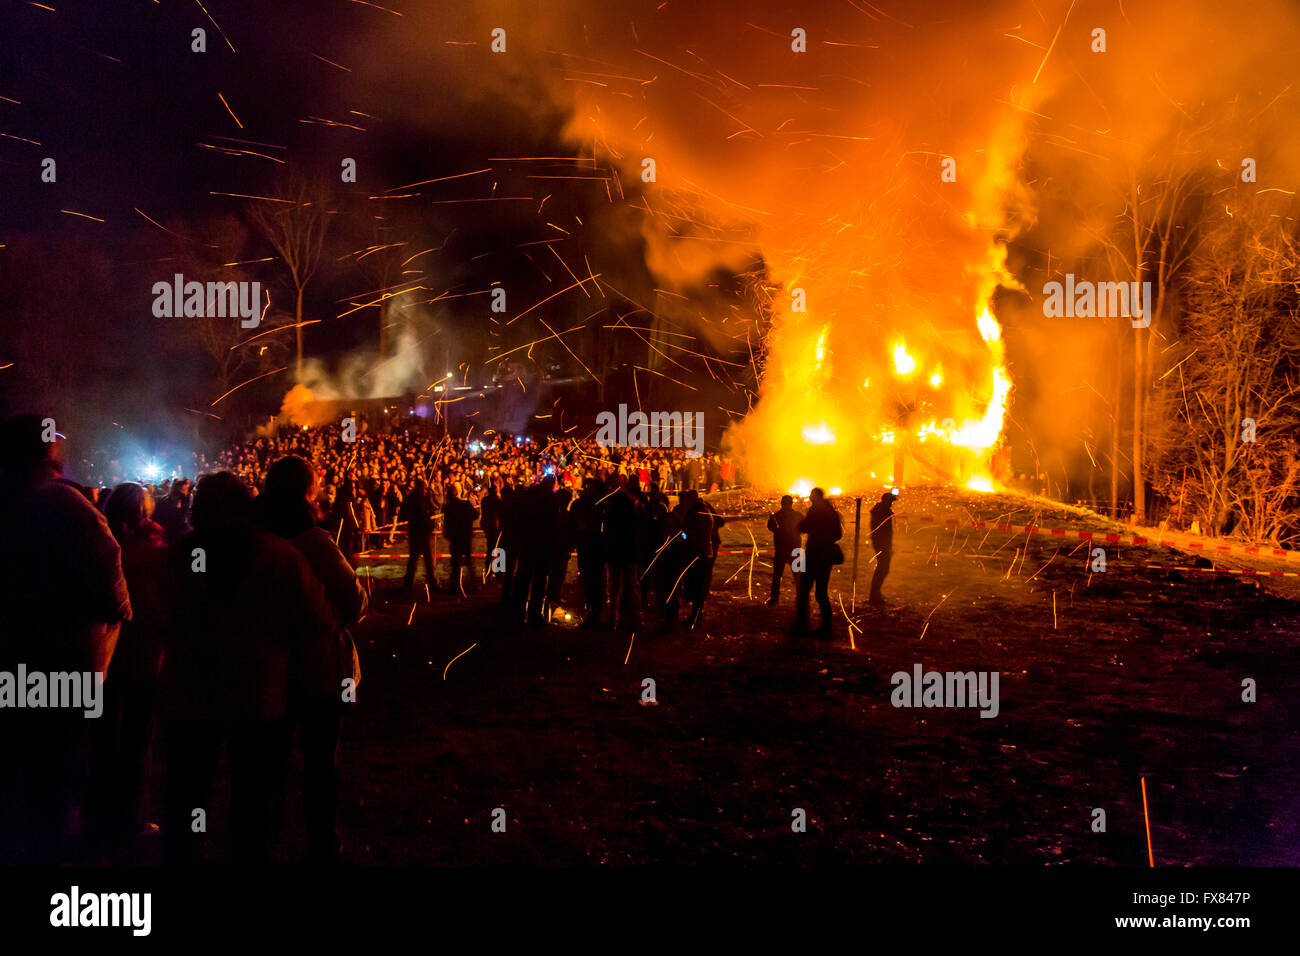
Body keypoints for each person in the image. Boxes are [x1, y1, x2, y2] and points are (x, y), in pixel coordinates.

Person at [164, 472, 340, 864]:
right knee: (252, 797)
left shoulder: (176, 555)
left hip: (192, 693)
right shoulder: (279, 556)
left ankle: (182, 856)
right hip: (256, 695)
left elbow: (159, 615)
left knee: (187, 792)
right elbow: (322, 619)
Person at [0, 415, 133, 864]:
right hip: (63, 664)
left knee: (17, 764)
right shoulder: (67, 506)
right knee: (55, 768)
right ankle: (49, 851)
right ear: (48, 451)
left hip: (13, 657)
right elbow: (111, 581)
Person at [256, 456, 366, 863]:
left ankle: (264, 836)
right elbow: (355, 602)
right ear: (307, 491)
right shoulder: (314, 541)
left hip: (270, 671)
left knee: (270, 761)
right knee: (321, 763)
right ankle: (321, 839)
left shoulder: (256, 537)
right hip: (319, 672)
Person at [90, 482, 170, 858]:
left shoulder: (97, 546)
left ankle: (98, 820)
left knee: (102, 740)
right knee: (137, 741)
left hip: (102, 658)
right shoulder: (158, 553)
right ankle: (131, 820)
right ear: (145, 512)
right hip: (143, 659)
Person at [795, 487, 842, 638]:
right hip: (826, 556)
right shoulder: (831, 512)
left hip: (814, 554)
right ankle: (826, 627)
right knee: (821, 592)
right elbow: (838, 534)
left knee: (804, 591)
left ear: (816, 497)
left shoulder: (815, 511)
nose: (809, 497)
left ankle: (802, 625)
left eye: (811, 495)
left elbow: (803, 527)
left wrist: (807, 528)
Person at [682, 491, 725, 630]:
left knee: (697, 586)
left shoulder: (698, 513)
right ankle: (696, 614)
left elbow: (691, 533)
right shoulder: (702, 510)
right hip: (704, 552)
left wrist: (682, 537)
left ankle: (696, 616)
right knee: (699, 585)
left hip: (699, 553)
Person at [766, 494, 804, 605]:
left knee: (777, 575)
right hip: (795, 549)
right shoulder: (798, 516)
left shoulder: (776, 516)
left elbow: (771, 527)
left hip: (781, 549)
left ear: (782, 503)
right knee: (798, 576)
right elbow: (804, 528)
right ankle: (802, 598)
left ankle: (774, 599)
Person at [443, 484, 479, 596]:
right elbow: (476, 515)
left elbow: (447, 524)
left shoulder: (448, 507)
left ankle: (454, 588)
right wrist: (473, 505)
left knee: (455, 565)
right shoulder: (465, 504)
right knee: (469, 563)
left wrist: (448, 534)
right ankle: (475, 586)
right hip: (466, 537)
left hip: (455, 539)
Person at [401, 477, 436, 591]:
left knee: (415, 559)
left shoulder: (414, 497)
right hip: (420, 532)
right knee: (425, 559)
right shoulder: (417, 499)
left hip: (417, 531)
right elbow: (425, 512)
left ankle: (408, 583)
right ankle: (431, 582)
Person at [869, 490, 898, 606]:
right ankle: (874, 594)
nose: (891, 504)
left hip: (882, 543)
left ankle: (876, 593)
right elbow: (883, 531)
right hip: (882, 544)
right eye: (891, 501)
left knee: (883, 568)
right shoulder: (882, 512)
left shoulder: (882, 510)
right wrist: (886, 545)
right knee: (882, 569)